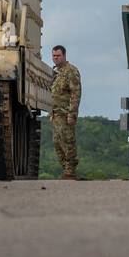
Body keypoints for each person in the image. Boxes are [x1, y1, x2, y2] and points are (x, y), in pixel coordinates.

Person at [49, 45, 81, 179]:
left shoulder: (71, 71)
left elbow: (75, 93)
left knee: (68, 141)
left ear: (64, 55)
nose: (55, 58)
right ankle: (65, 169)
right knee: (57, 142)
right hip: (56, 113)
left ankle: (70, 170)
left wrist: (72, 114)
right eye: (54, 56)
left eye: (58, 56)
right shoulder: (57, 72)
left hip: (66, 113)